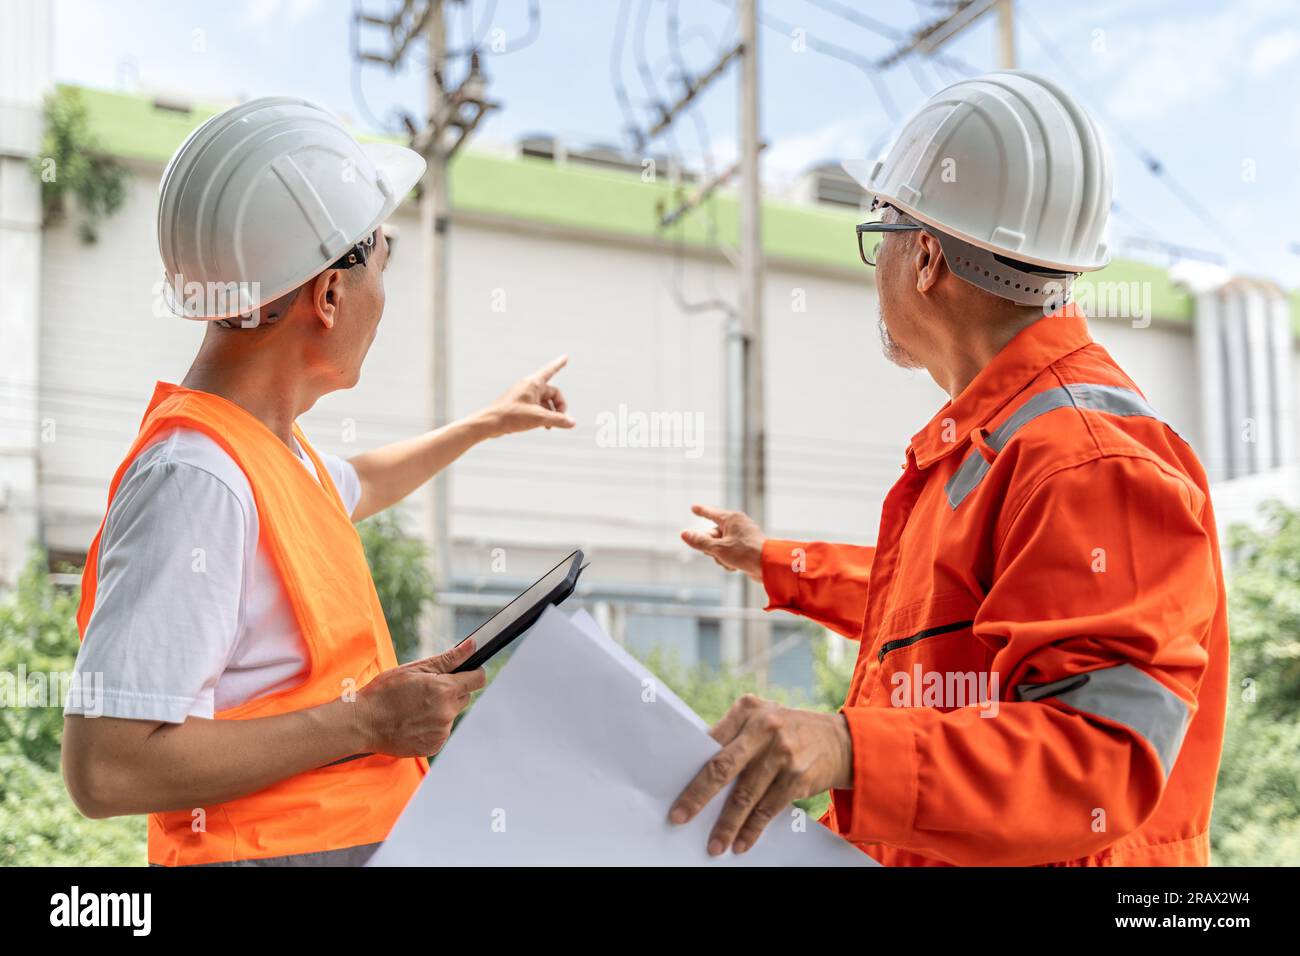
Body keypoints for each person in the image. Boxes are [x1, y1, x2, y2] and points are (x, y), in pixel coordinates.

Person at [674, 71, 1229, 867]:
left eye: (881, 236)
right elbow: (945, 609)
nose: (878, 269)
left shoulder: (1085, 459)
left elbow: (1096, 762)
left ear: (926, 256)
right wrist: (776, 561)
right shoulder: (1007, 435)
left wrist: (846, 749)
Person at [61, 97, 574, 867]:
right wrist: (366, 723)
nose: (384, 295)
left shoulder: (265, 451)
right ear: (329, 295)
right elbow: (106, 766)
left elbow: (359, 482)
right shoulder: (196, 479)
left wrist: (486, 423)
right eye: (381, 256)